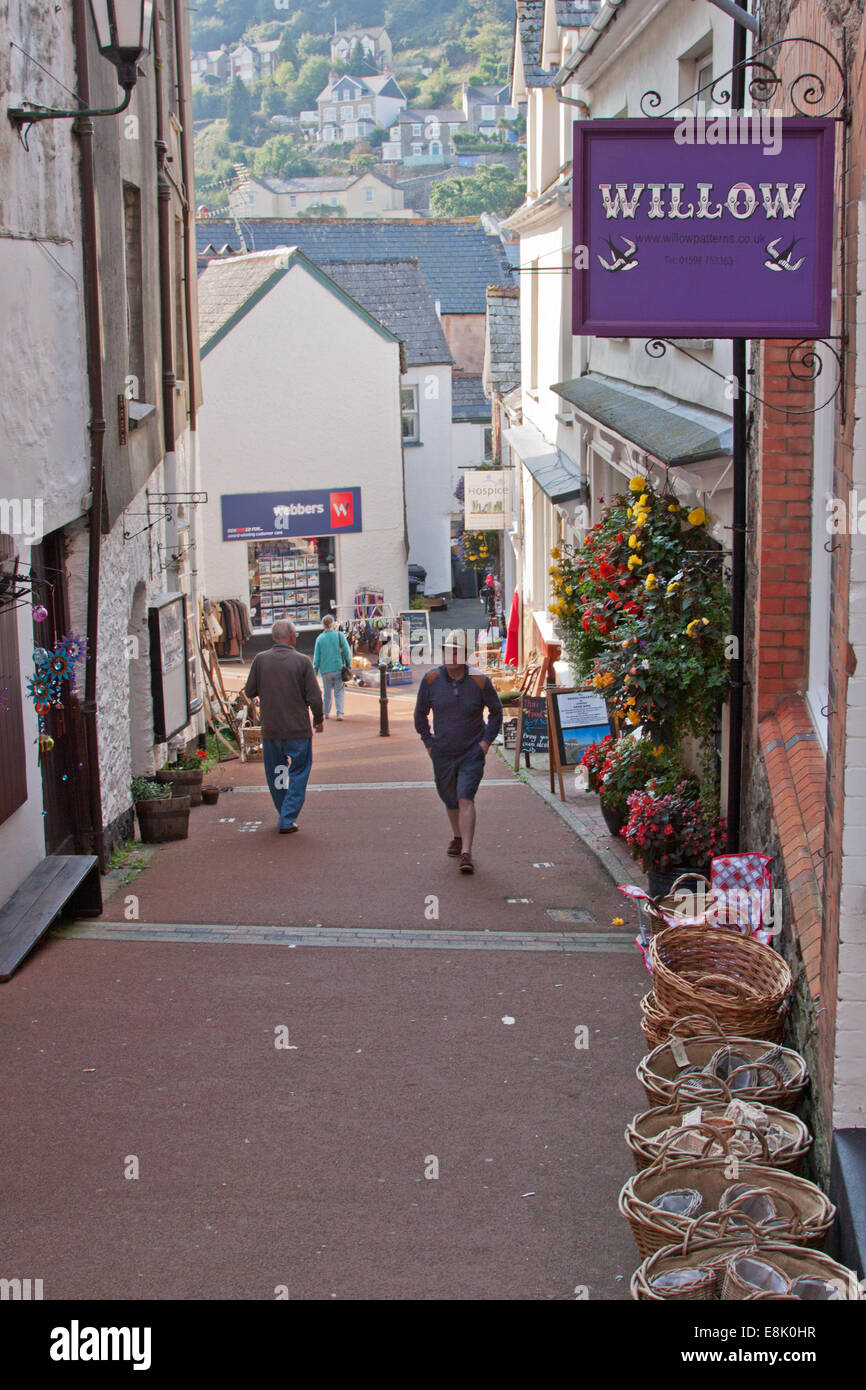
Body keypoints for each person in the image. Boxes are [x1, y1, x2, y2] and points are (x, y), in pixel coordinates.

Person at [413, 628, 503, 874]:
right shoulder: (431, 680)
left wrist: (485, 743)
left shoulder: (480, 681)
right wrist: (429, 743)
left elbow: (496, 712)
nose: (450, 656)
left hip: (471, 752)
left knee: (465, 796)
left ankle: (467, 853)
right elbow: (420, 714)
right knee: (449, 798)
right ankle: (457, 836)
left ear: (465, 656)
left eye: (456, 652)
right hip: (441, 752)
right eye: (447, 651)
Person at [244, 618, 323, 835]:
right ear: (290, 636)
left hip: (271, 728)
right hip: (297, 728)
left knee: (277, 772)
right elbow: (314, 697)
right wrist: (318, 718)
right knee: (299, 771)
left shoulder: (260, 660)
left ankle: (284, 812)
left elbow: (249, 691)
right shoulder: (302, 661)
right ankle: (287, 817)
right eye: (295, 634)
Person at [313, 615, 352, 720]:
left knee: (327, 693)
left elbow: (316, 658)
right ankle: (339, 713)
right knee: (339, 692)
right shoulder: (339, 635)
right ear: (333, 624)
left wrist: (314, 672)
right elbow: (347, 652)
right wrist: (349, 664)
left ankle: (326, 713)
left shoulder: (320, 639)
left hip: (325, 670)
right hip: (338, 668)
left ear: (323, 625)